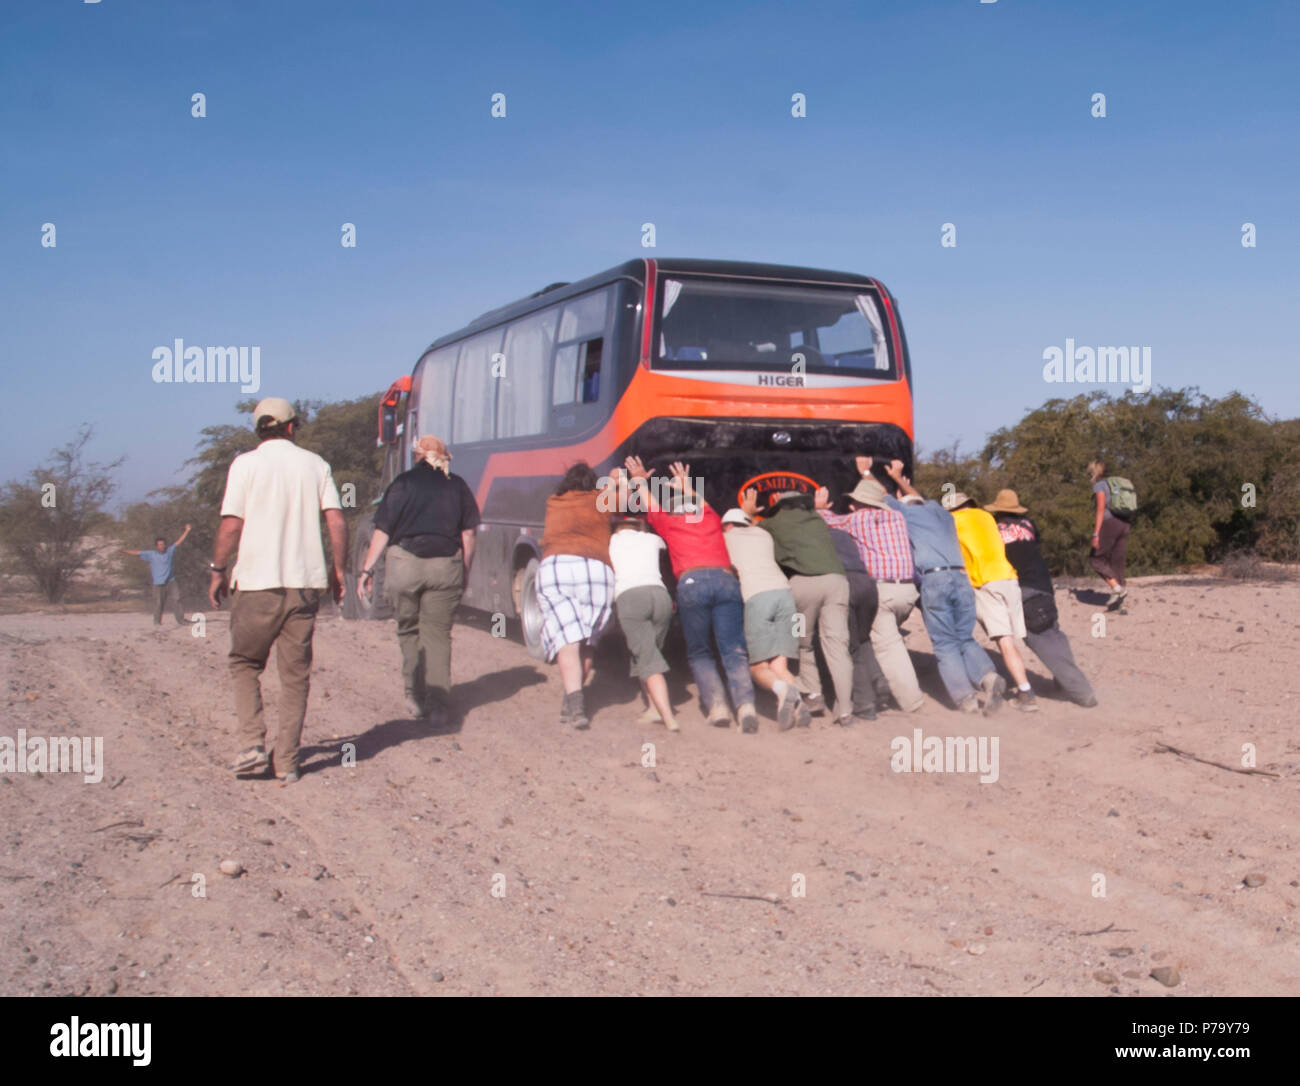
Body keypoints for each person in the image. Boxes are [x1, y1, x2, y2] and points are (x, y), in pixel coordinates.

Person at [209, 397, 347, 783]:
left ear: (259, 429)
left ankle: (252, 745)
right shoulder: (316, 464)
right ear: (291, 427)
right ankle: (286, 762)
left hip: (256, 584)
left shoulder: (245, 464)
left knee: (245, 663)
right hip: (305, 586)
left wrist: (217, 569)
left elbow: (231, 526)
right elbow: (336, 521)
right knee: (295, 677)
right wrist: (339, 570)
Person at [626, 456, 758, 734]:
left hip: (692, 582)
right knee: (733, 649)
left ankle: (717, 706)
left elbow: (648, 500)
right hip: (725, 580)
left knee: (700, 651)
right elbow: (703, 504)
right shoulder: (710, 518)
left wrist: (639, 478)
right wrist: (686, 485)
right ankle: (746, 706)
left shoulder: (669, 522)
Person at [357, 434, 480, 723]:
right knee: (437, 635)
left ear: (416, 455)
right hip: (445, 565)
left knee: (409, 630)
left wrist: (366, 570)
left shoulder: (402, 484)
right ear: (444, 456)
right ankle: (438, 705)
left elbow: (383, 531)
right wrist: (465, 569)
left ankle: (414, 697)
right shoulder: (458, 485)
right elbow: (470, 534)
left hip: (405, 565)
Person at [874, 459, 1006, 715]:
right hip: (961, 577)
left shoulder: (904, 515)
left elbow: (881, 495)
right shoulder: (941, 512)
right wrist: (899, 477)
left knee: (945, 644)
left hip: (935, 579)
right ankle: (988, 678)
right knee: (964, 638)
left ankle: (965, 699)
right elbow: (917, 497)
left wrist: (866, 472)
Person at [742, 488, 866, 727]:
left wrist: (748, 514)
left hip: (802, 587)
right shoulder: (817, 520)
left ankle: (813, 693)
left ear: (780, 506)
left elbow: (749, 535)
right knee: (837, 645)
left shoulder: (772, 524)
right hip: (837, 583)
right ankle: (845, 711)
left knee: (802, 640)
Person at [815, 471, 925, 714]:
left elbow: (829, 521)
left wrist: (820, 506)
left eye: (854, 502)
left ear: (862, 504)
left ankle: (911, 701)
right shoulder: (897, 517)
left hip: (882, 588)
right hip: (908, 589)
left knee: (887, 645)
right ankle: (879, 680)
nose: (851, 505)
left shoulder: (858, 519)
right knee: (878, 638)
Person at [986, 489, 1098, 707]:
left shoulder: (993, 530)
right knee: (1053, 633)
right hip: (1043, 584)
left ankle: (1081, 691)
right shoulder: (1029, 524)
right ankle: (1064, 683)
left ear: (997, 511)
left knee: (1040, 637)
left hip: (1024, 587)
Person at [940, 489, 1039, 712]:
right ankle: (1022, 682)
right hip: (1009, 577)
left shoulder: (952, 521)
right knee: (1013, 639)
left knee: (1004, 641)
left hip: (986, 581)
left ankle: (1026, 693)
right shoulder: (986, 516)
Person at [536, 462, 615, 730]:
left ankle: (575, 703)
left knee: (567, 640)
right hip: (596, 571)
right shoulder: (601, 499)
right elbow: (623, 497)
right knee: (587, 642)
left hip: (558, 567)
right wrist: (619, 479)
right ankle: (573, 703)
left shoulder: (553, 502)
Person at [719, 506, 809, 730]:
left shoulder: (726, 537)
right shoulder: (764, 534)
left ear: (728, 526)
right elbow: (752, 526)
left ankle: (783, 691)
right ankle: (797, 708)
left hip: (757, 597)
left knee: (757, 667)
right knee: (780, 665)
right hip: (784, 594)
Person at [606, 474, 678, 731]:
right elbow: (659, 541)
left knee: (647, 658)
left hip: (631, 596)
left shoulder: (611, 543)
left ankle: (667, 715)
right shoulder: (651, 539)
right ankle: (651, 709)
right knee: (646, 653)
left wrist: (617, 484)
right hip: (660, 597)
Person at [122, 524, 192, 625]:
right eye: (159, 545)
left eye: (163, 544)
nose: (162, 546)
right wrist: (124, 551)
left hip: (171, 581)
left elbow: (178, 542)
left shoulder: (169, 551)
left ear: (165, 545)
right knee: (159, 603)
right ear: (156, 546)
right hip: (158, 584)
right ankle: (157, 622)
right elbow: (137, 552)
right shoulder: (151, 554)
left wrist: (187, 531)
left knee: (177, 599)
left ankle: (181, 620)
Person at [1088, 458, 1130, 610]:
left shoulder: (1100, 485)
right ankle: (1120, 597)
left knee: (1095, 559)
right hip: (1124, 522)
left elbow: (1100, 509)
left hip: (1109, 523)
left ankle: (1117, 589)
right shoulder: (1118, 484)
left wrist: (1096, 534)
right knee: (1117, 560)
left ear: (1096, 471)